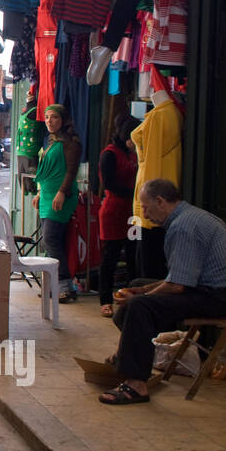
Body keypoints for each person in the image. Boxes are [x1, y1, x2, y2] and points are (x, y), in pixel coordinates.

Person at [100, 179, 226, 405]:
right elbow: (177, 278)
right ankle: (129, 354)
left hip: (217, 298)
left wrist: (141, 297)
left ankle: (136, 385)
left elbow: (177, 285)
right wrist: (141, 289)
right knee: (137, 284)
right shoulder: (187, 217)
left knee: (140, 306)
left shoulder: (183, 226)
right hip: (203, 288)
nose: (144, 215)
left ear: (161, 201)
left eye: (146, 207)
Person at [34, 103, 82, 303]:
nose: (49, 121)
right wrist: (39, 192)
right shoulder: (50, 141)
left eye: (54, 117)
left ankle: (64, 285)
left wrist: (62, 192)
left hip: (61, 196)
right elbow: (45, 169)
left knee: (51, 239)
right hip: (46, 196)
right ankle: (56, 285)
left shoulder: (71, 142)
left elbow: (71, 171)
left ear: (63, 120)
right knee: (51, 242)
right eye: (47, 117)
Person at [99, 114, 140, 318]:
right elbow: (109, 184)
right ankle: (105, 300)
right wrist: (134, 194)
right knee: (110, 258)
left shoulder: (134, 154)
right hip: (114, 213)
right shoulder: (110, 154)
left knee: (134, 256)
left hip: (134, 215)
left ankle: (131, 300)